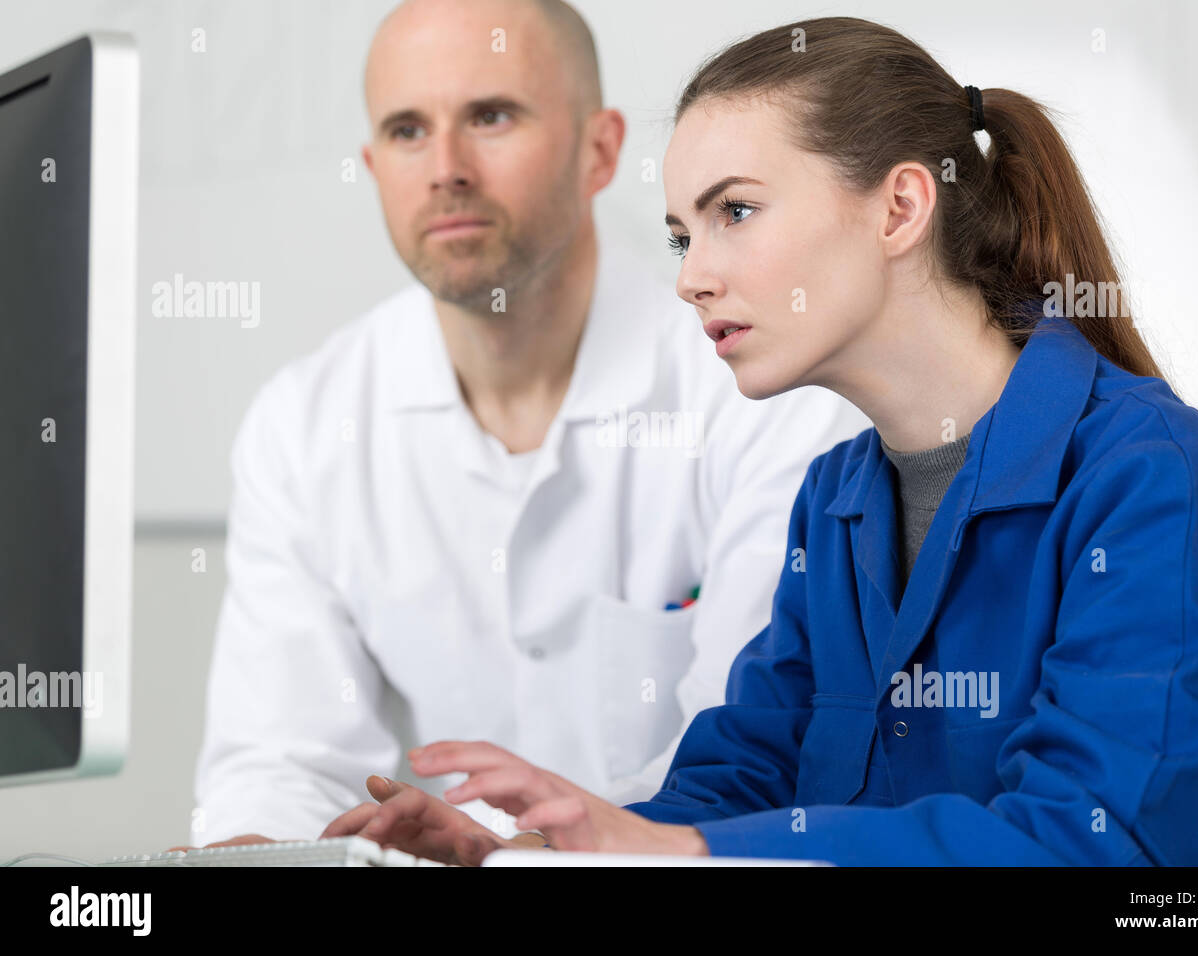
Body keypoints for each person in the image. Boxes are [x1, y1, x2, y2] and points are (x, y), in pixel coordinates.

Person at [322, 16, 1198, 866]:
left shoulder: (1149, 482)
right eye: (679, 236)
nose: (691, 278)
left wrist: (683, 849)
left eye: (733, 212)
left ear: (900, 206)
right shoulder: (836, 500)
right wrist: (534, 854)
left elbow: (1090, 846)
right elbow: (740, 782)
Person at [184, 0, 861, 849]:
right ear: (371, 163)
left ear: (600, 149)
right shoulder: (307, 424)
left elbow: (747, 763)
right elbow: (278, 763)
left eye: (491, 116)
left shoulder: (758, 392)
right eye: (406, 130)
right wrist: (257, 858)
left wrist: (530, 862)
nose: (446, 168)